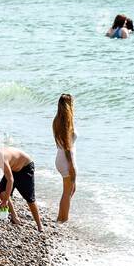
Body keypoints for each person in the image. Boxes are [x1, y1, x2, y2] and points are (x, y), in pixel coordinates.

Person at [0, 142, 43, 232]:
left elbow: (10, 180)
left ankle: (40, 226)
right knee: (1, 190)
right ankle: (14, 217)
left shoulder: (1, 158)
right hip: (13, 169)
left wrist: (4, 201)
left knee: (29, 198)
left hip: (25, 168)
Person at [52, 93, 77, 223]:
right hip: (66, 159)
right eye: (72, 103)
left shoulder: (56, 121)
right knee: (69, 191)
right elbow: (68, 148)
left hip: (59, 158)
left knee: (67, 191)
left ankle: (60, 218)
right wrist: (72, 167)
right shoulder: (67, 122)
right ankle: (63, 219)